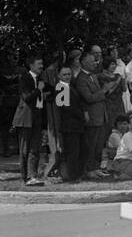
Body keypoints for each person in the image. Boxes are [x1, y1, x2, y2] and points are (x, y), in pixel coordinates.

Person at [74, 48, 110, 179]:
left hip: (101, 115)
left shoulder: (93, 76)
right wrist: (104, 91)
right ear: (83, 62)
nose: (94, 63)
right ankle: (89, 169)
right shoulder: (81, 79)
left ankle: (96, 167)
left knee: (99, 145)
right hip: (92, 117)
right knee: (91, 145)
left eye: (94, 60)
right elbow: (88, 97)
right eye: (91, 61)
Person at [11, 56, 47, 186]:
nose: (41, 66)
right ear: (31, 65)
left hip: (37, 117)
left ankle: (33, 176)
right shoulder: (25, 78)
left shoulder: (40, 79)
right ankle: (25, 176)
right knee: (25, 149)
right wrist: (39, 90)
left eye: (42, 63)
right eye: (39, 63)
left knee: (35, 148)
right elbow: (26, 97)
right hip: (26, 118)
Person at [55, 66, 88, 182]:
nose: (67, 76)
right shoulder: (60, 88)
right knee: (72, 152)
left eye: (69, 74)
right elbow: (64, 107)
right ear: (59, 76)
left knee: (82, 150)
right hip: (69, 124)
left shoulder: (71, 87)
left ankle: (78, 174)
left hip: (77, 124)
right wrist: (82, 115)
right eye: (64, 74)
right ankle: (72, 176)